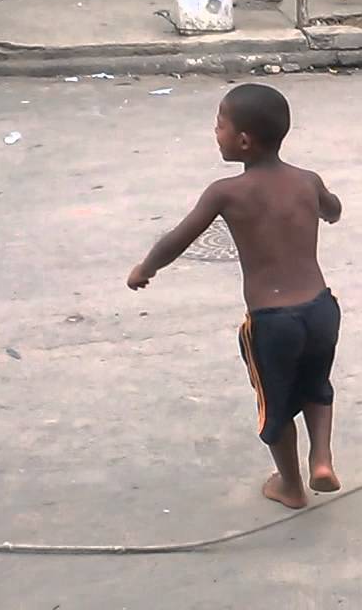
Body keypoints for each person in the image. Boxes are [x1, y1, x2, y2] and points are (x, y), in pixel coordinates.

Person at [127, 84, 344, 510]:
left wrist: (145, 269)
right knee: (317, 385)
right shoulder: (306, 179)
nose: (215, 131)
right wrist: (327, 209)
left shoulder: (225, 192)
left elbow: (177, 239)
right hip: (321, 309)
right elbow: (332, 208)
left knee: (276, 405)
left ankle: (291, 487)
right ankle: (321, 458)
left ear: (243, 141)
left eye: (220, 124)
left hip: (272, 322)